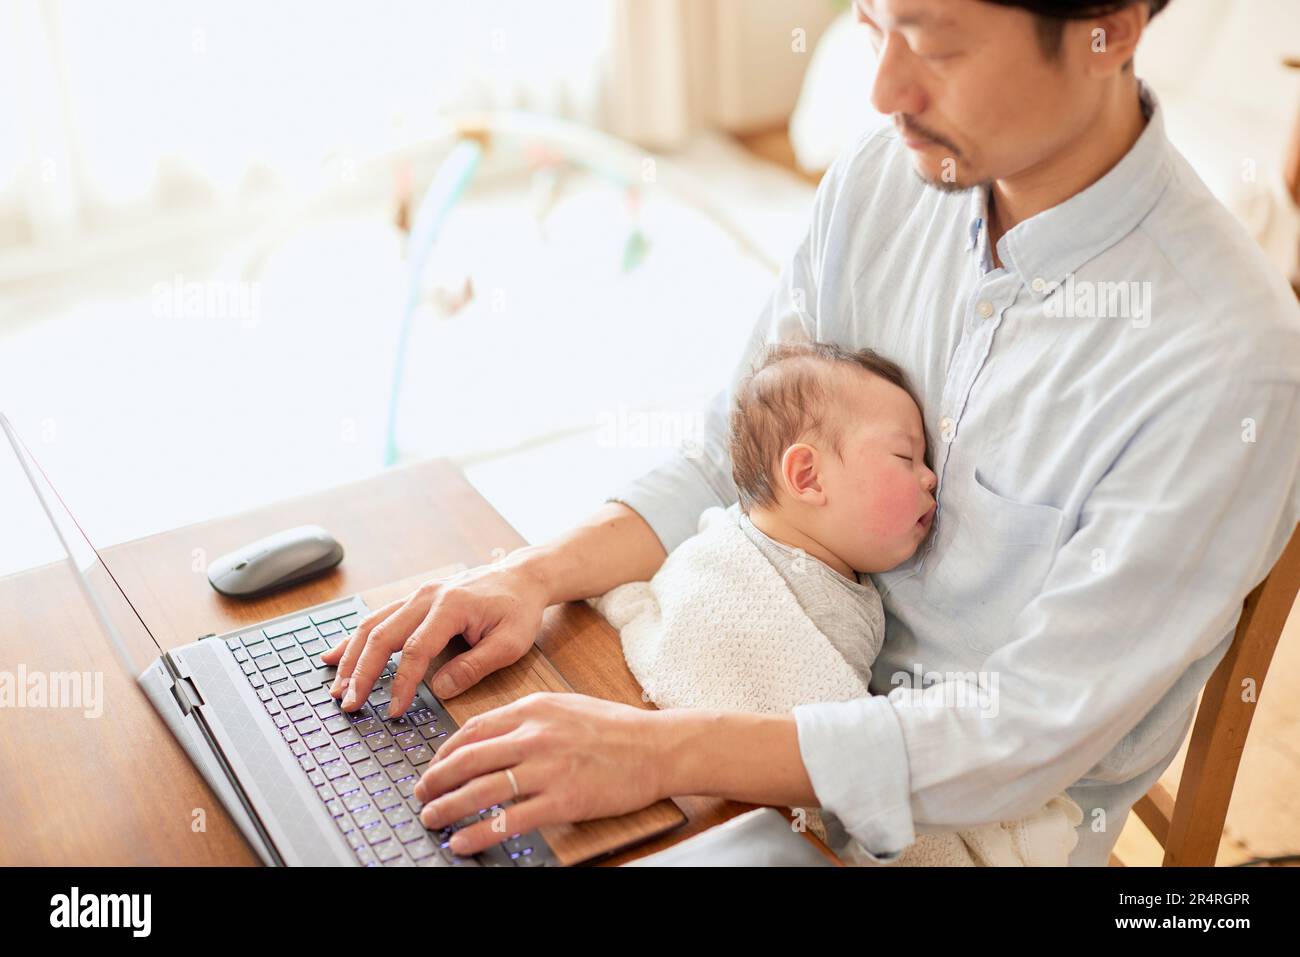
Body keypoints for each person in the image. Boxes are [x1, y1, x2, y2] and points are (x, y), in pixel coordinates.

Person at [324, 0, 1300, 865]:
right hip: (755, 685)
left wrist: (653, 751)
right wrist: (526, 576)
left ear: (1110, 29)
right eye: (874, 26)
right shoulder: (888, 175)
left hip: (957, 816)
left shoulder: (1226, 363)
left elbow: (1023, 733)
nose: (882, 90)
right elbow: (731, 455)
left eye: (932, 42)